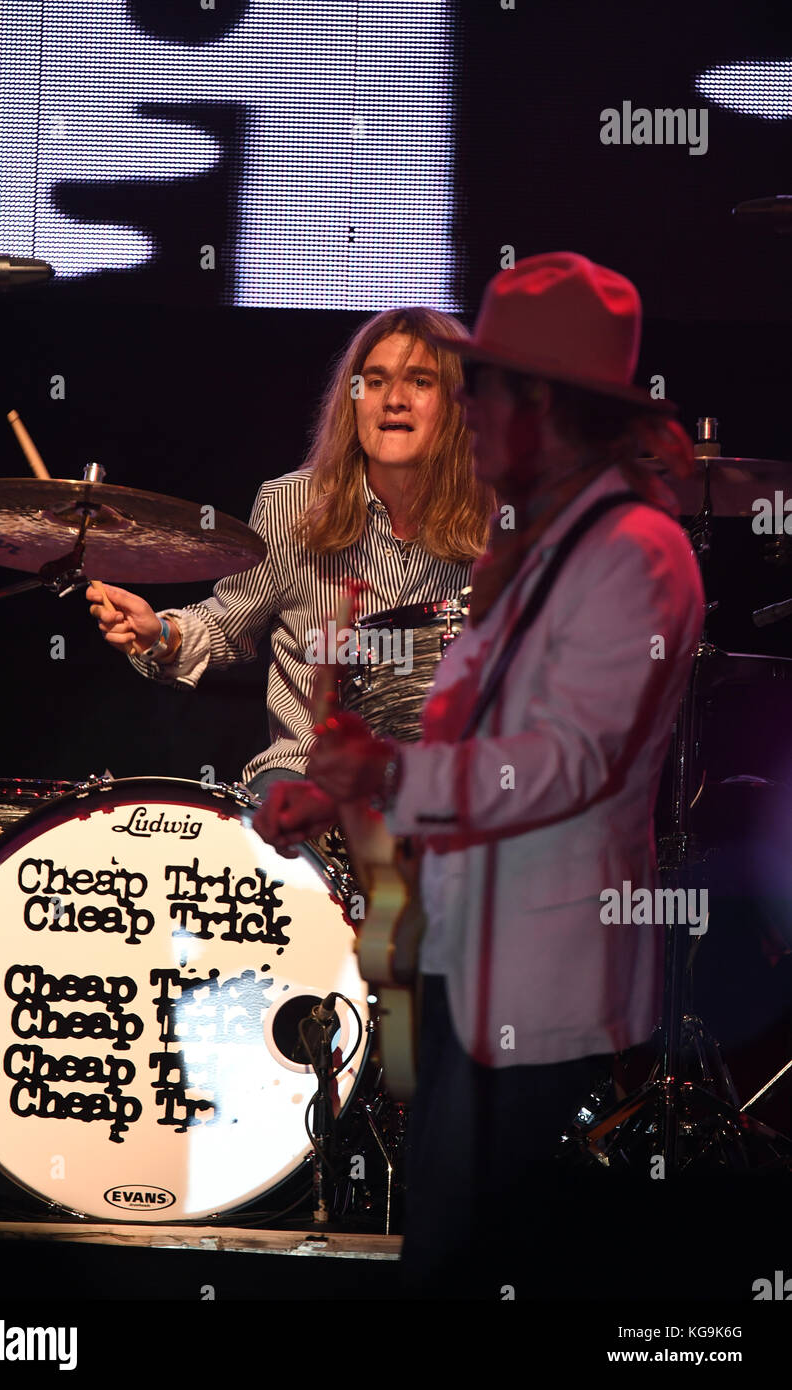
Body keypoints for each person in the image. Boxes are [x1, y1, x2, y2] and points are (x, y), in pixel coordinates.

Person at [254, 252, 705, 1296]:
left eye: (477, 388)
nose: (462, 411)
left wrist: (388, 778)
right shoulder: (541, 549)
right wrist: (344, 790)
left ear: (535, 403)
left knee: (470, 1266)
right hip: (474, 962)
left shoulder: (629, 551)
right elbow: (467, 743)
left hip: (542, 980)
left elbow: (566, 760)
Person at [87, 308, 494, 806]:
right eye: (375, 381)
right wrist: (161, 634)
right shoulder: (292, 505)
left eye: (421, 381)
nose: (393, 400)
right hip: (306, 770)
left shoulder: (500, 516)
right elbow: (227, 624)